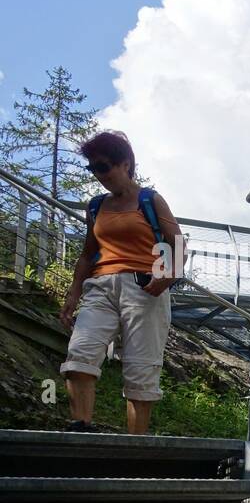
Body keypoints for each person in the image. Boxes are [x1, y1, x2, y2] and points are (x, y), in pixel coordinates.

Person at [58, 130, 181, 435]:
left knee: (141, 367)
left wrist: (167, 277)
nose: (98, 175)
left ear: (125, 164)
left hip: (143, 288)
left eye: (103, 167)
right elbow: (87, 255)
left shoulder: (149, 200)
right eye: (93, 169)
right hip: (100, 287)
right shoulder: (96, 206)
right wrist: (73, 295)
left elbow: (177, 243)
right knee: (80, 353)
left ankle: (134, 445)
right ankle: (80, 428)